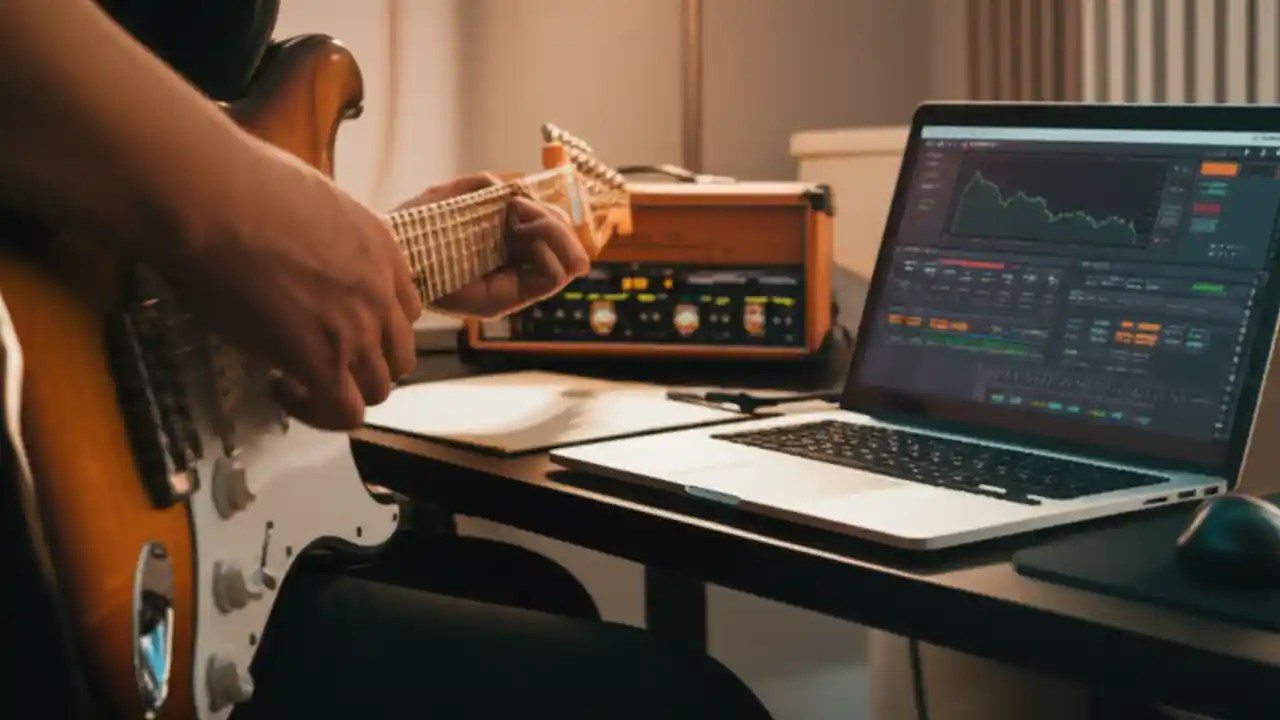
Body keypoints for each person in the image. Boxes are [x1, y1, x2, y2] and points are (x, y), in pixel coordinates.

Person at [0, 2, 773, 718]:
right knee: (684, 703)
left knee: (536, 593)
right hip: (42, 535)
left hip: (153, 493)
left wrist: (370, 262)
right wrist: (251, 216)